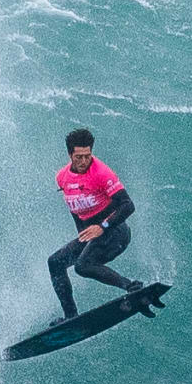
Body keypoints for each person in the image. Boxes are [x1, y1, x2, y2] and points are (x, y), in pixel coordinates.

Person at [48, 127, 145, 317]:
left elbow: (127, 205)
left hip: (115, 231)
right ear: (70, 155)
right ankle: (70, 317)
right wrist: (83, 237)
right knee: (55, 262)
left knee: (82, 266)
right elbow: (75, 209)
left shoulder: (101, 172)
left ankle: (132, 287)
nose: (84, 161)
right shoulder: (62, 178)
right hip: (93, 234)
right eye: (79, 157)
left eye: (87, 155)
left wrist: (103, 227)